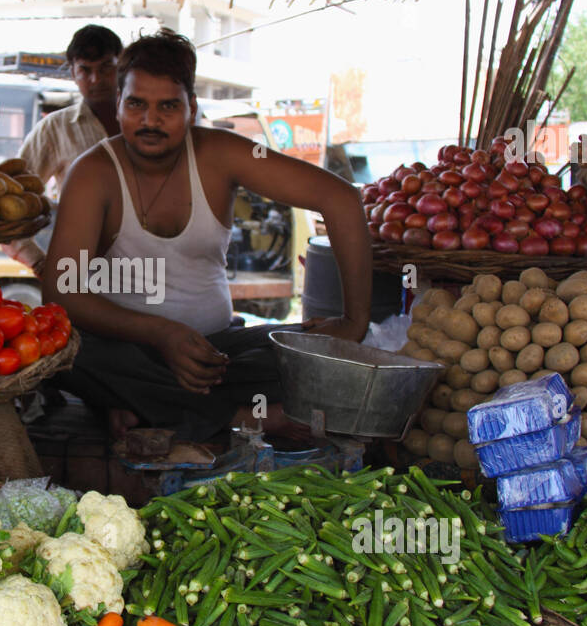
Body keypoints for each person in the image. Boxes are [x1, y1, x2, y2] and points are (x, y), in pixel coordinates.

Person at [41, 30, 373, 442]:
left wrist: (355, 321)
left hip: (218, 357)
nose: (150, 120)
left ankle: (142, 408)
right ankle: (244, 417)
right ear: (119, 104)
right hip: (125, 350)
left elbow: (340, 198)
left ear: (192, 107)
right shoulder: (94, 173)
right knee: (64, 354)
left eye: (168, 106)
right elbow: (61, 293)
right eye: (136, 104)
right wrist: (161, 334)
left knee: (304, 349)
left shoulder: (221, 154)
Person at [4, 25, 123, 275]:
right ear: (72, 72)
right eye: (85, 70)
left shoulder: (146, 123)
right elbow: (8, 203)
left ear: (121, 66)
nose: (96, 79)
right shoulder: (55, 129)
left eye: (105, 68)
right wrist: (37, 261)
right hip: (82, 270)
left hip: (149, 270)